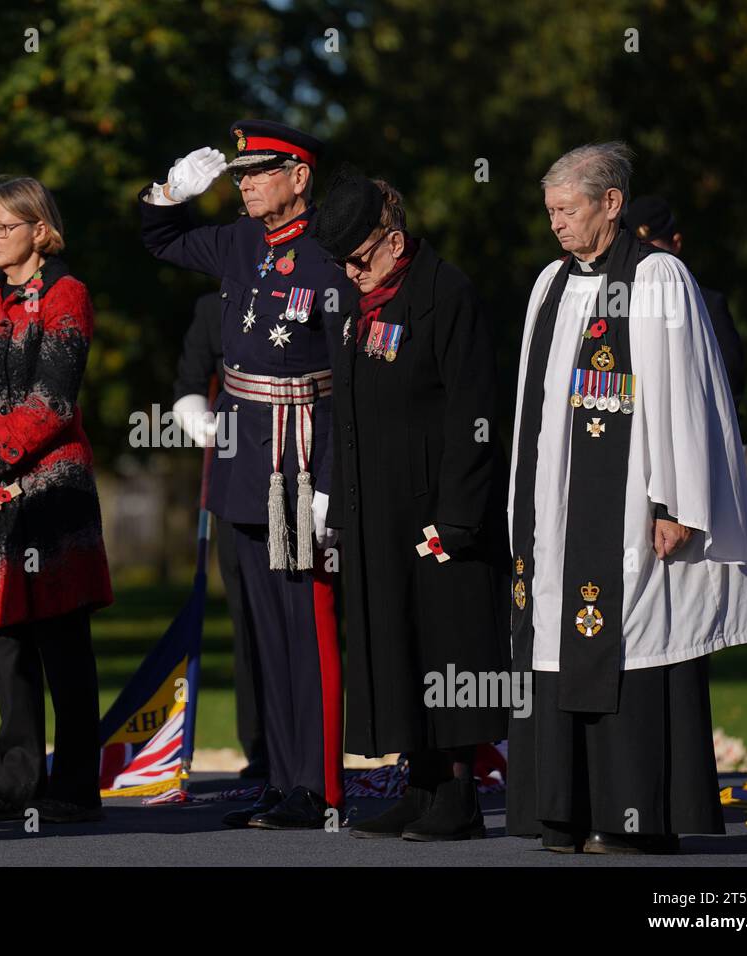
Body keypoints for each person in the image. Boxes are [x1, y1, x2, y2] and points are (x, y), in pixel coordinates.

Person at [506, 142, 747, 854]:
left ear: (611, 204)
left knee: (635, 646)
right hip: (556, 515)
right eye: (550, 210)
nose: (555, 223)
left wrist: (675, 500)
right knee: (558, 643)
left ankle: (636, 820)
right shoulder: (549, 285)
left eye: (567, 209)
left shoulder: (658, 279)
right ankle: (565, 811)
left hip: (631, 509)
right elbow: (536, 408)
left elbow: (684, 394)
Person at [140, 120, 352, 829]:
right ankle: (278, 776)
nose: (245, 183)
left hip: (297, 459)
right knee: (262, 629)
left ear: (300, 178)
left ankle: (317, 786)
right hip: (241, 461)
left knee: (305, 627)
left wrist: (329, 483)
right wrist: (170, 192)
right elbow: (160, 240)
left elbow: (346, 384)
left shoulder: (331, 252)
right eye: (240, 174)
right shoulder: (237, 241)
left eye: (260, 171)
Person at [314, 165, 510, 841]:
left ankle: (459, 793)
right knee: (395, 643)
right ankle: (418, 782)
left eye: (358, 258)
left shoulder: (445, 292)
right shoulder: (357, 304)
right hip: (377, 511)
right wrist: (338, 505)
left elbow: (474, 411)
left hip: (438, 509)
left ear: (393, 242)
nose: (349, 272)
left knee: (447, 643)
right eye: (339, 262)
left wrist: (460, 515)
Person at [0, 175, 113, 825]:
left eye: (1, 226)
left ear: (39, 232)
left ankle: (74, 784)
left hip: (50, 493)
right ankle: (13, 779)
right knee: (4, 640)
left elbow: (54, 403)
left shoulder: (68, 296)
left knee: (62, 642)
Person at [171, 291, 269, 779]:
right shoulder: (214, 308)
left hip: (311, 477)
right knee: (248, 622)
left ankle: (311, 745)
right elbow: (189, 386)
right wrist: (215, 433)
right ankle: (261, 749)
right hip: (236, 487)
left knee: (310, 621)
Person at [624, 195, 745, 404]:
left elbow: (728, 382)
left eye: (654, 253)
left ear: (676, 244)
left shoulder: (708, 305)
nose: (647, 264)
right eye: (638, 254)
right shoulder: (616, 305)